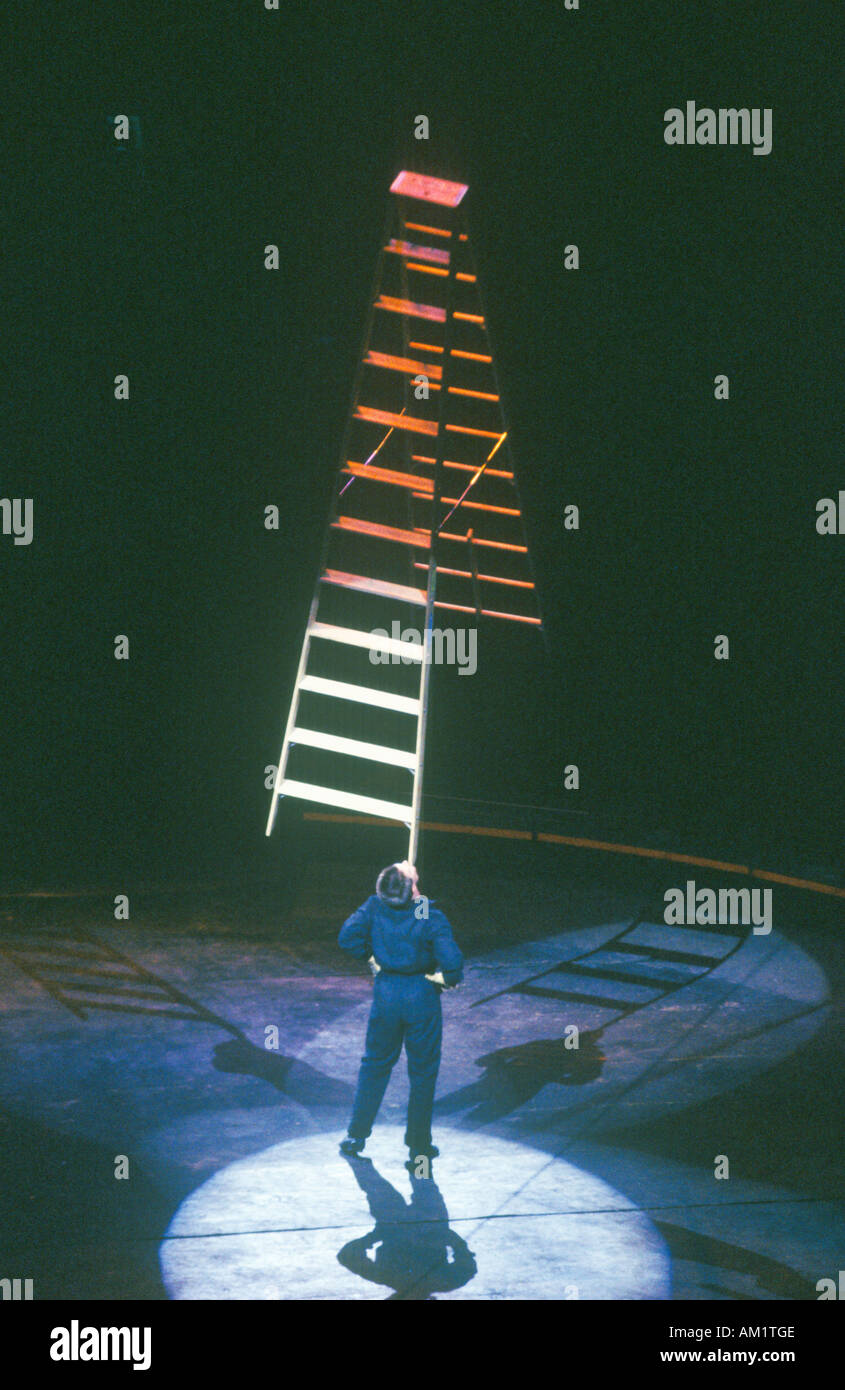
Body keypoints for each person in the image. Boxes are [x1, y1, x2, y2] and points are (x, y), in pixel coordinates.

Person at [338, 859, 463, 1164]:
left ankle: (356, 1135)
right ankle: (418, 1145)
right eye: (402, 868)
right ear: (411, 885)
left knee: (375, 1066)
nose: (404, 862)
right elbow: (452, 963)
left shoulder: (376, 905)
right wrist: (445, 980)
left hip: (387, 994)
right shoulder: (424, 911)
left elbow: (347, 937)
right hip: (420, 995)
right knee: (422, 1073)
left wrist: (371, 957)